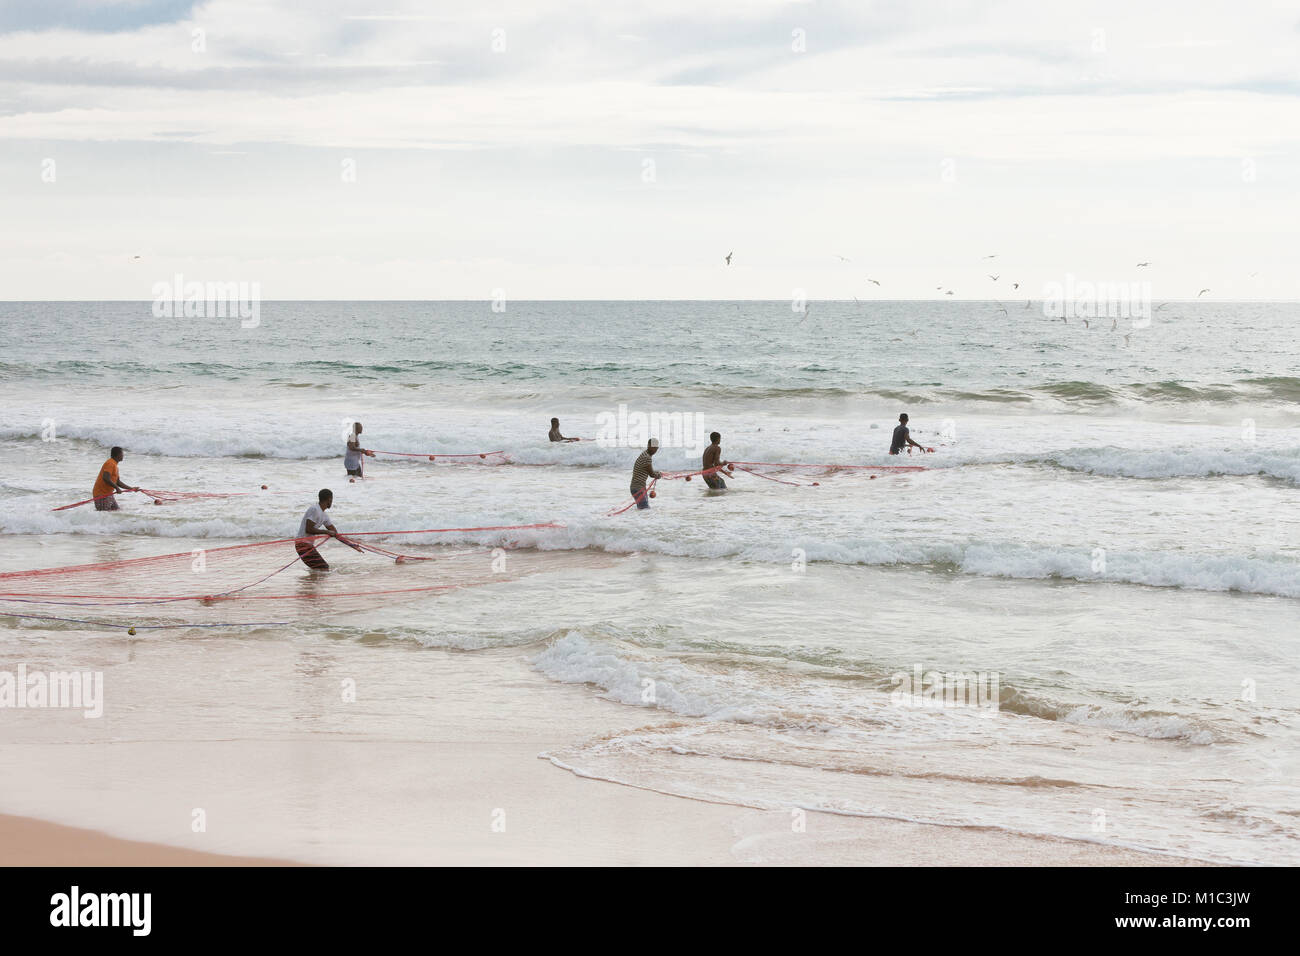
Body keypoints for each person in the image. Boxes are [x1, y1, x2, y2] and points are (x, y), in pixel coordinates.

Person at [295, 489, 361, 570]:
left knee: (321, 568)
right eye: (332, 499)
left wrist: (351, 545)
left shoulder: (324, 515)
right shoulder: (314, 509)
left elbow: (335, 533)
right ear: (329, 499)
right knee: (323, 568)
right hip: (302, 544)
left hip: (308, 545)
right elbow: (308, 529)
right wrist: (326, 531)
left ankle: (312, 581)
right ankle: (312, 582)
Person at [92, 446, 138, 511]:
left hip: (108, 494)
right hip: (101, 495)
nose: (123, 455)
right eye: (122, 454)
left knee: (116, 512)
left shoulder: (115, 465)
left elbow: (117, 482)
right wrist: (116, 488)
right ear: (118, 454)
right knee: (105, 516)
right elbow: (105, 478)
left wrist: (132, 488)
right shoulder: (110, 463)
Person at [629, 438, 662, 509]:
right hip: (638, 488)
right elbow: (652, 474)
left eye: (655, 447)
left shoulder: (645, 454)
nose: (654, 449)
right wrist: (658, 475)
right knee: (645, 509)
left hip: (638, 487)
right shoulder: (647, 457)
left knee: (643, 510)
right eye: (652, 446)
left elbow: (649, 470)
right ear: (648, 445)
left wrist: (657, 473)